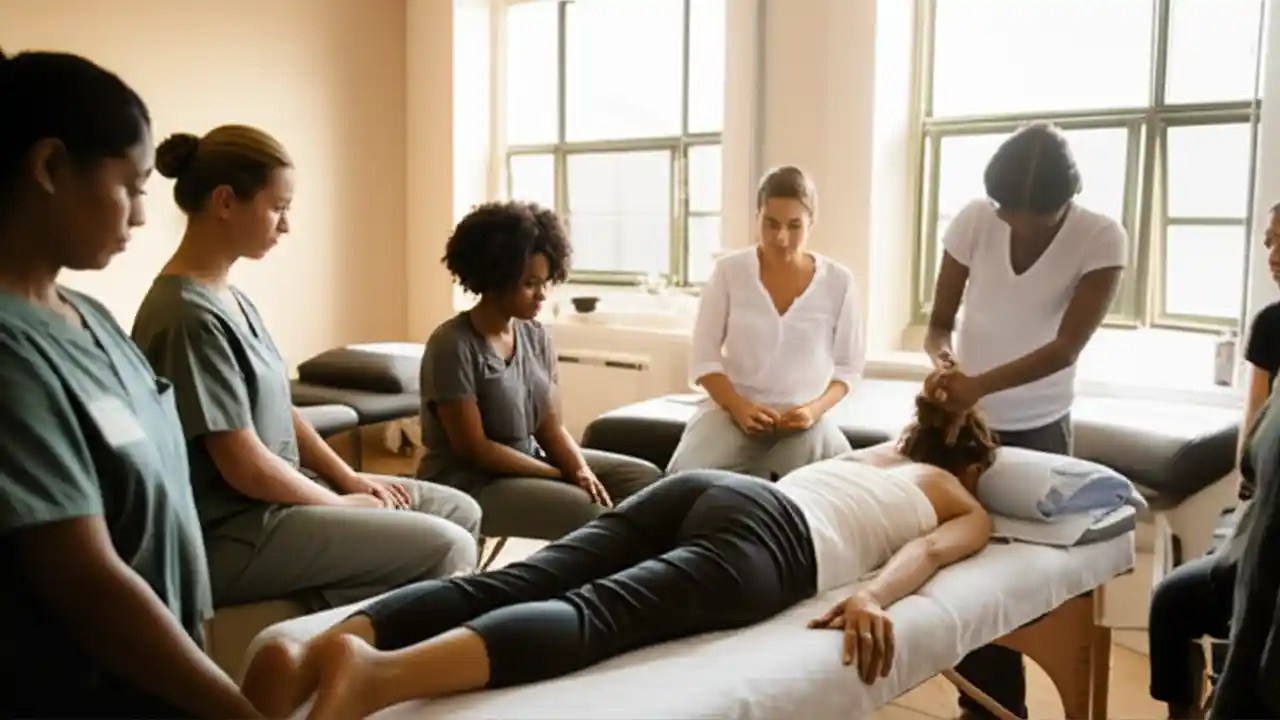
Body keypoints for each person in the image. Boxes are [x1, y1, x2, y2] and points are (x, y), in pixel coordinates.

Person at [239, 373, 996, 720]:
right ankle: (376, 679)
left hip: (716, 489)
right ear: (970, 464)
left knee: (526, 576)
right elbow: (925, 558)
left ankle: (325, 650)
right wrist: (869, 596)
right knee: (599, 614)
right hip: (778, 542)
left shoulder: (872, 455)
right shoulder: (958, 496)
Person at [0, 49, 257, 717]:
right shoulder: (9, 353)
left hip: (166, 676)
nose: (141, 216)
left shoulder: (94, 320)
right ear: (51, 167)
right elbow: (89, 586)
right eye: (131, 185)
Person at [130, 125, 481, 612]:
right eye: (279, 208)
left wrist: (350, 478)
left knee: (459, 510)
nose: (286, 226)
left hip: (279, 504)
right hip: (236, 531)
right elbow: (243, 463)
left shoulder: (230, 298)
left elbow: (282, 409)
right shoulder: (185, 317)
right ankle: (362, 657)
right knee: (448, 545)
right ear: (226, 202)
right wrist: (337, 505)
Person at [924, 122, 1127, 719]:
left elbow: (1066, 346)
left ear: (1065, 203)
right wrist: (945, 364)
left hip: (1039, 427)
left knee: (1024, 579)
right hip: (964, 426)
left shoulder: (1100, 238)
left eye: (1031, 215)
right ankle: (985, 706)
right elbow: (938, 322)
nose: (1015, 223)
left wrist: (977, 387)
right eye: (1005, 210)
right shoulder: (973, 219)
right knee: (961, 569)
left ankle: (1037, 692)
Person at [414, 200, 662, 540]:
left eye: (545, 282)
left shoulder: (535, 336)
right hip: (471, 482)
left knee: (643, 481)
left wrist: (580, 469)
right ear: (496, 278)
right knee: (587, 511)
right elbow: (476, 449)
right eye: (530, 283)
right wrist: (556, 474)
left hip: (529, 461)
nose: (542, 295)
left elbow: (550, 427)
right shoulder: (452, 345)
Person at [1146, 204, 1280, 718]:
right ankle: (1185, 712)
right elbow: (1252, 440)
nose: (1274, 255)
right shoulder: (1272, 325)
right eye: (1267, 241)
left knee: (1180, 600)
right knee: (1170, 601)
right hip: (1258, 510)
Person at [668, 165, 866, 479]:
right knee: (691, 481)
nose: (782, 238)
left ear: (811, 223)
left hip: (804, 421)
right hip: (730, 413)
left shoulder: (839, 282)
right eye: (770, 223)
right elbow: (704, 359)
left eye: (794, 225)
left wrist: (812, 411)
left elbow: (849, 369)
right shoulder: (728, 273)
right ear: (757, 217)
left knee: (807, 487)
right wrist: (738, 406)